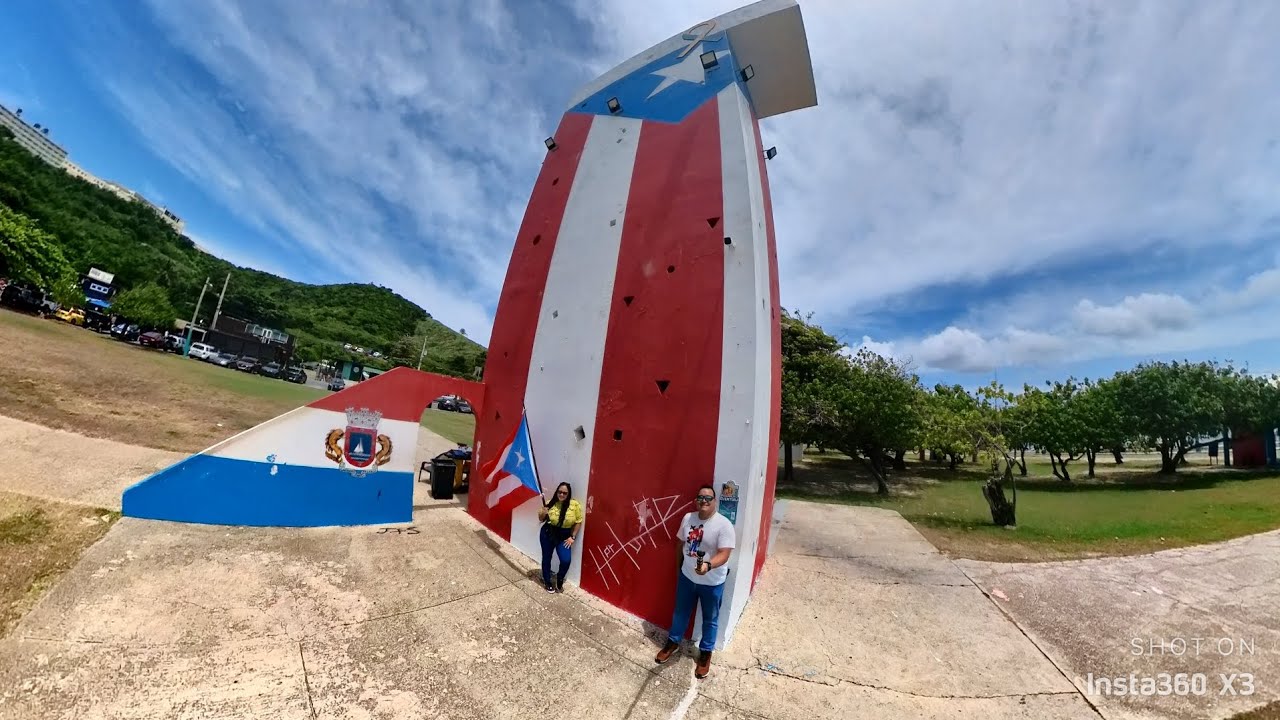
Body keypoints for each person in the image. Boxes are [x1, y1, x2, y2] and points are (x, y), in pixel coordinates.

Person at [655, 483, 735, 679]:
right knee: (681, 612)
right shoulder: (688, 518)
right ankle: (673, 642)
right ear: (695, 501)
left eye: (708, 498)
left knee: (710, 619)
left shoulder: (723, 524)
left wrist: (708, 565)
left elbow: (725, 554)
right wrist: (678, 568)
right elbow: (680, 544)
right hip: (687, 577)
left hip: (712, 582)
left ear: (714, 501)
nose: (704, 501)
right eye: (700, 497)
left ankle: (705, 653)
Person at [536, 482, 583, 593]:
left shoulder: (574, 505)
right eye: (560, 492)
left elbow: (578, 521)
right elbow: (541, 519)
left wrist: (573, 537)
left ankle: (560, 578)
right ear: (557, 492)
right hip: (548, 533)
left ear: (568, 494)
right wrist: (544, 512)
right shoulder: (549, 503)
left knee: (566, 560)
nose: (561, 495)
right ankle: (547, 581)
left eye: (564, 493)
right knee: (547, 558)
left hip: (564, 535)